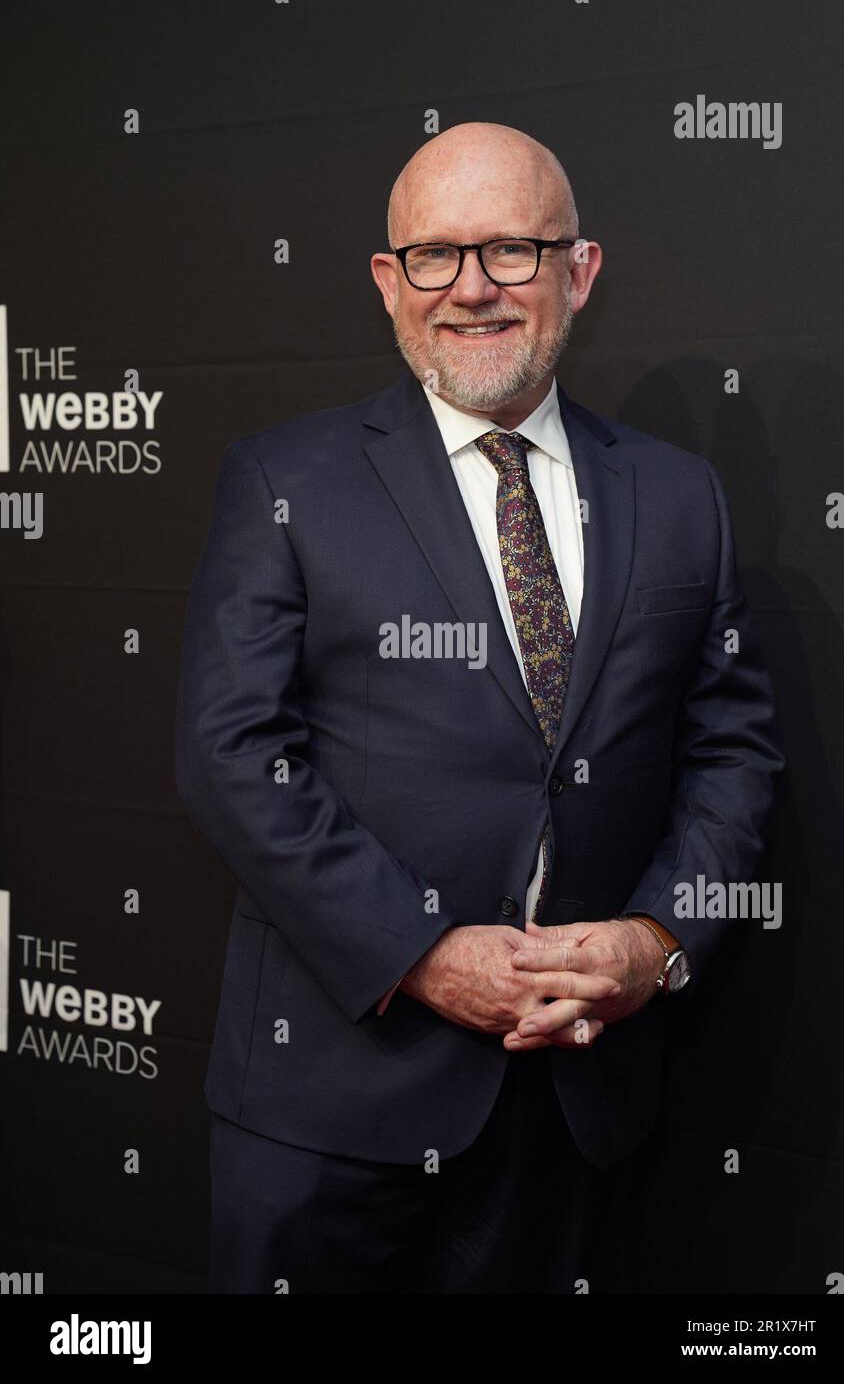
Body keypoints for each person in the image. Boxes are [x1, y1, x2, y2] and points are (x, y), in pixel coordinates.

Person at [175, 121, 784, 1294]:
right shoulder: (284, 481)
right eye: (432, 256)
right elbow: (231, 752)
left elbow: (732, 755)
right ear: (385, 280)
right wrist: (415, 951)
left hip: (577, 1105)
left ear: (578, 270)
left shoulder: (676, 496)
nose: (469, 289)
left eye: (510, 249)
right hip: (332, 1105)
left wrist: (657, 941)